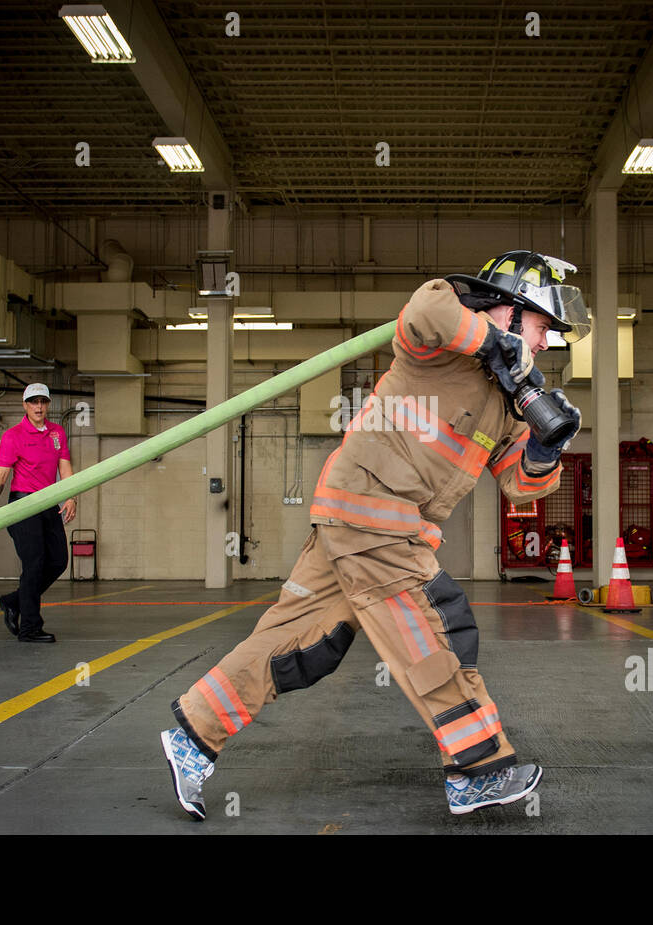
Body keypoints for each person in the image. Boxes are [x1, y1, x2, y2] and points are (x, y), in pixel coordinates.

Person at [158, 251, 591, 819]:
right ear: (510, 311)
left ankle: (192, 737)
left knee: (303, 643)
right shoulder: (441, 345)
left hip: (367, 522)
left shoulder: (508, 402)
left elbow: (519, 486)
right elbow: (426, 304)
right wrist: (490, 341)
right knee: (435, 635)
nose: (546, 345)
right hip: (373, 517)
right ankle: (476, 770)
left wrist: (543, 449)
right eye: (542, 329)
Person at [0, 383, 76, 643]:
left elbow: (65, 467)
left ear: (48, 405)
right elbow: (1, 476)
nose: (38, 406)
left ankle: (13, 601)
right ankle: (30, 628)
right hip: (23, 505)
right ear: (25, 405)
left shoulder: (57, 433)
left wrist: (71, 495)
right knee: (34, 564)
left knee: (58, 561)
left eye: (43, 402)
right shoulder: (13, 435)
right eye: (33, 402)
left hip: (48, 503)